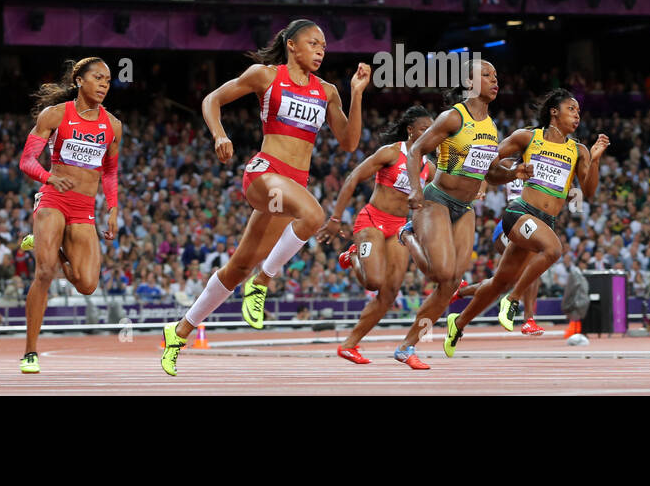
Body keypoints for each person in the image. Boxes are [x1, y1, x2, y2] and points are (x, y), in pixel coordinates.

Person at [159, 20, 369, 376]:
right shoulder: (266, 75)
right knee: (315, 216)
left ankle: (179, 332)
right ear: (291, 45)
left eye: (324, 46)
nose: (320, 50)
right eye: (313, 43)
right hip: (264, 172)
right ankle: (263, 281)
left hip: (290, 190)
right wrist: (219, 135)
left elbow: (349, 143)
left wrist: (358, 92)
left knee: (238, 267)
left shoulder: (327, 90)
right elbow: (213, 100)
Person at [444, 89, 609, 357]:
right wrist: (509, 173)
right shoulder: (528, 137)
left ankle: (458, 323)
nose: (577, 115)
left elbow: (588, 191)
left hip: (545, 220)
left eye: (579, 111)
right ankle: (513, 301)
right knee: (553, 250)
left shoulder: (578, 150)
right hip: (520, 212)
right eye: (571, 109)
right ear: (554, 111)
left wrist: (595, 158)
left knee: (498, 282)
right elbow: (490, 159)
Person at [16, 57, 123, 374]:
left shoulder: (113, 126)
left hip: (84, 208)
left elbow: (111, 172)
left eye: (108, 79)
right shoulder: (55, 115)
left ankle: (43, 243)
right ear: (79, 80)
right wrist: (48, 178)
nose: (104, 84)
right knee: (45, 272)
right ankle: (30, 352)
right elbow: (27, 160)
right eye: (98, 78)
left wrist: (113, 209)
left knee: (87, 284)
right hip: (53, 199)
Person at [391, 59, 499, 370]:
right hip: (437, 199)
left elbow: (491, 173)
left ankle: (406, 346)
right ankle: (408, 235)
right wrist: (415, 188)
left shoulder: (491, 128)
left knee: (450, 283)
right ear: (469, 82)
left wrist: (513, 171)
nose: (495, 81)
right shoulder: (454, 117)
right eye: (487, 75)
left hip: (465, 208)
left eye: (496, 76)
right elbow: (415, 152)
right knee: (439, 274)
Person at [318, 106, 435, 363]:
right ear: (410, 131)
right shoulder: (391, 153)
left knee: (390, 293)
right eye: (424, 128)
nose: (429, 133)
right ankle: (353, 255)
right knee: (372, 282)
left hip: (398, 228)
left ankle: (349, 344)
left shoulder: (430, 168)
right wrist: (336, 218)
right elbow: (353, 178)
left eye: (432, 129)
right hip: (372, 220)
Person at [455, 176, 542, 334]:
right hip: (509, 227)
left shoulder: (542, 165)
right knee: (532, 266)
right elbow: (488, 169)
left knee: (502, 284)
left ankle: (460, 292)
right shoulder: (514, 163)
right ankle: (528, 320)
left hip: (530, 228)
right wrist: (481, 189)